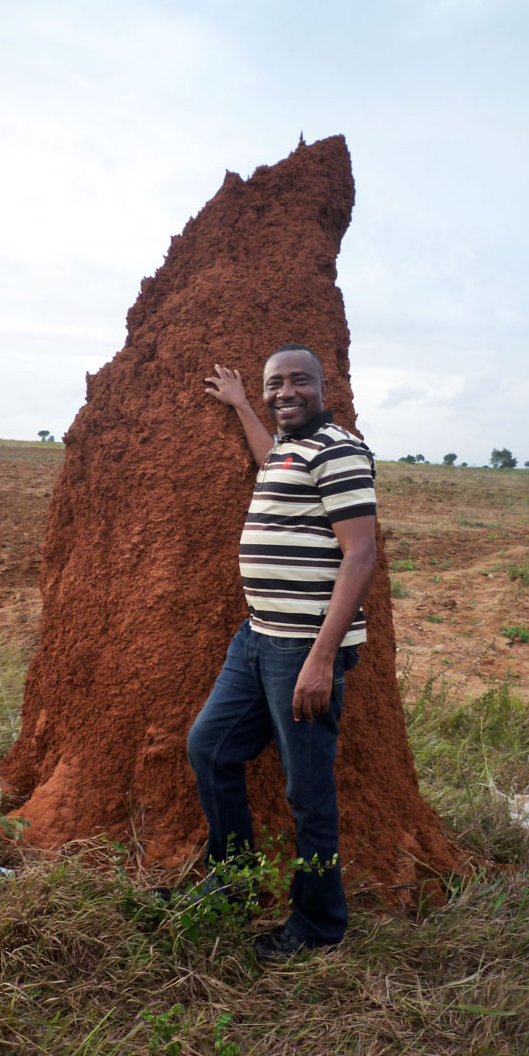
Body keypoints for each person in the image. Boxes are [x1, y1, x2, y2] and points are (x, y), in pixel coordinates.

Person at [187, 343, 377, 960]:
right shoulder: (291, 449)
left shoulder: (340, 450)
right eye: (274, 385)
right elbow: (269, 457)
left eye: (298, 382)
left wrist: (322, 658)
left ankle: (319, 926)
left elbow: (361, 555)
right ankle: (235, 886)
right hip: (256, 637)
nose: (285, 392)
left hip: (302, 647)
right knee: (210, 748)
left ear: (325, 388)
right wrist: (242, 404)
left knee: (307, 789)